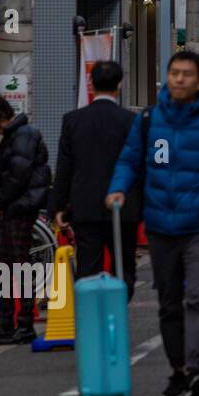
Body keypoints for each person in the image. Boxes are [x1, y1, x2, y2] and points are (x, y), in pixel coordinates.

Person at [107, 50, 199, 396]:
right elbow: (129, 160)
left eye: (187, 74)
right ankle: (179, 369)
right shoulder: (150, 120)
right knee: (168, 303)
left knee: (197, 298)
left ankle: (196, 370)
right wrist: (118, 187)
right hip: (160, 226)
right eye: (174, 73)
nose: (179, 79)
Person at [49, 60, 143, 301]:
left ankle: (91, 321)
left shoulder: (73, 120)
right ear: (119, 85)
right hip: (123, 207)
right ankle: (117, 314)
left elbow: (65, 166)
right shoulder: (131, 121)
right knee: (124, 268)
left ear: (91, 84)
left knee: (88, 268)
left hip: (85, 205)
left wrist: (58, 206)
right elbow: (140, 166)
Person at [0, 95, 51, 345]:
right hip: (17, 207)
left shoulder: (22, 135)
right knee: (7, 266)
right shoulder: (19, 134)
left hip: (19, 208)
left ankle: (23, 324)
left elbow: (17, 176)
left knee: (17, 266)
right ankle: (8, 323)